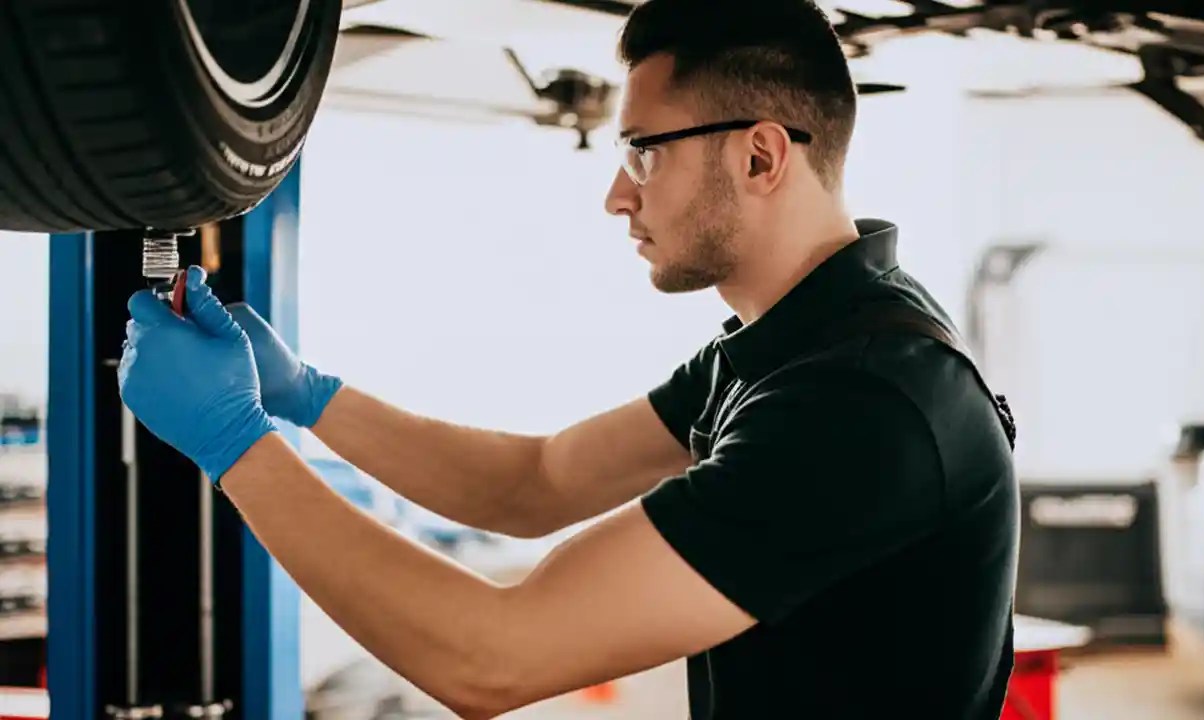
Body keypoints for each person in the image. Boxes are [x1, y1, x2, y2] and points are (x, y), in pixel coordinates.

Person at [117, 0, 1019, 717]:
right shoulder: (795, 344)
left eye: (643, 153)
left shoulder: (863, 404)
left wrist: (235, 444)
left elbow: (493, 657)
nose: (616, 196)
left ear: (760, 156)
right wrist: (308, 399)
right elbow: (536, 483)